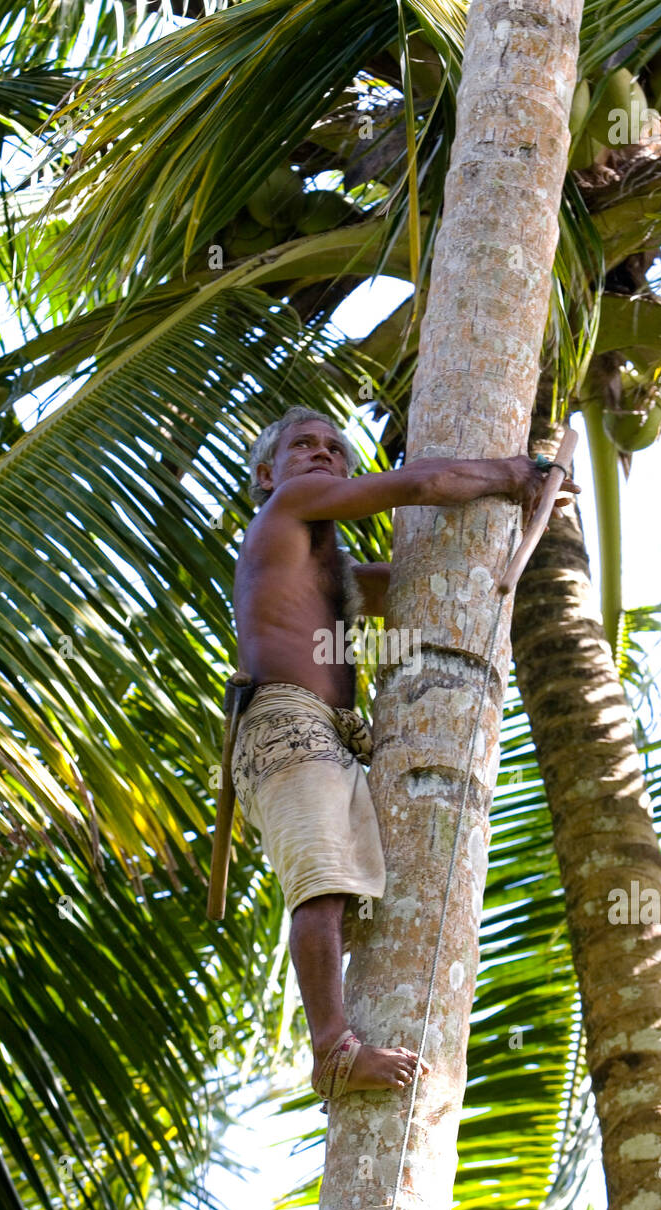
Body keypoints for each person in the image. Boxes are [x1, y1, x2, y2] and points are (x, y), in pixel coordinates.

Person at [231, 405, 580, 1106]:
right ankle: (331, 1051)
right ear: (268, 476)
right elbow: (422, 482)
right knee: (323, 884)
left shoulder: (326, 563)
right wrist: (517, 473)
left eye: (335, 447)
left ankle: (339, 1034)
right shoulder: (289, 508)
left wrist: (502, 542)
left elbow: (410, 587)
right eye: (305, 445)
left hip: (327, 733)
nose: (324, 454)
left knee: (349, 891)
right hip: (286, 723)